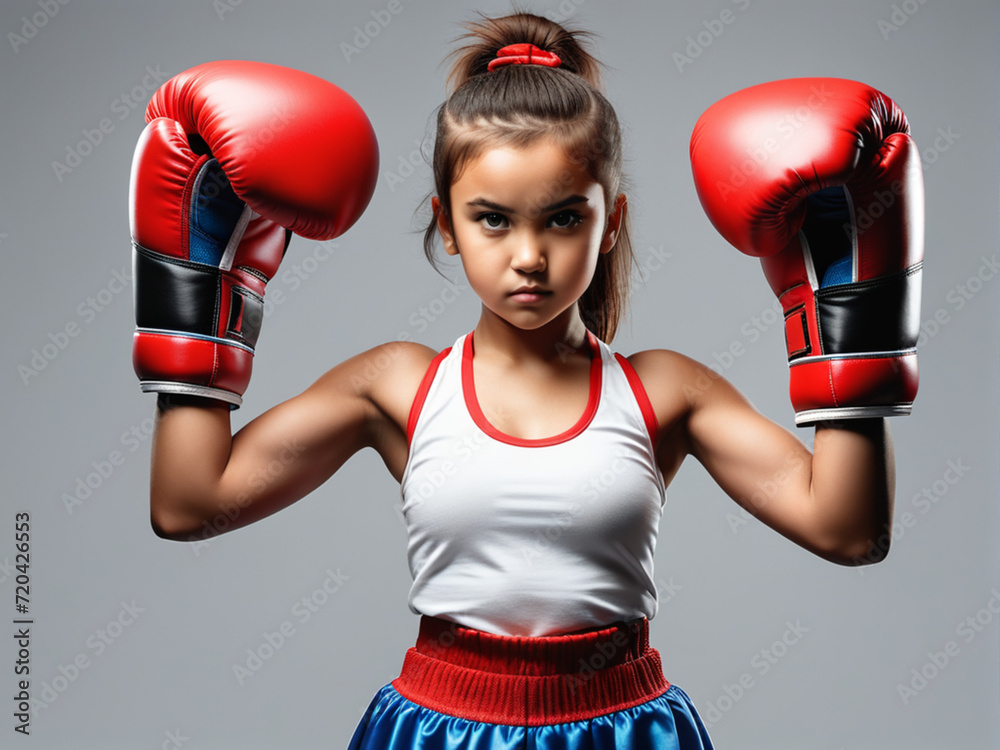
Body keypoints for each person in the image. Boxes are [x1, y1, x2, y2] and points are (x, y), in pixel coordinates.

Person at [132, 10, 922, 749]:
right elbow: (188, 503)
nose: (530, 256)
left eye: (564, 218)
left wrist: (846, 323)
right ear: (446, 222)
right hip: (436, 728)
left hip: (623, 728)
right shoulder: (397, 385)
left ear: (610, 222)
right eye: (493, 218)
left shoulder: (667, 392)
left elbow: (848, 531)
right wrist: (200, 295)